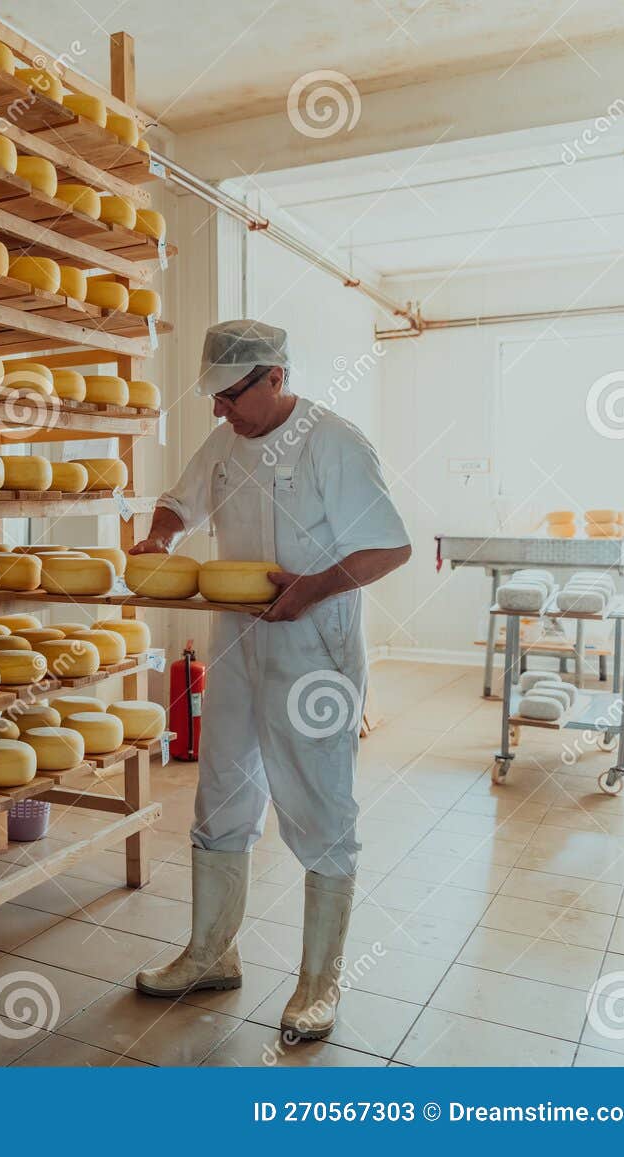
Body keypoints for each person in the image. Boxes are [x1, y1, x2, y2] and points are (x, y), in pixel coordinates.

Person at [129, 319, 410, 1041]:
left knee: (318, 805)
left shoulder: (333, 440)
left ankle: (319, 983)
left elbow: (389, 545)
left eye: (227, 395)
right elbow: (181, 500)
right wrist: (160, 535)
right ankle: (209, 952)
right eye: (213, 397)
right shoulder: (225, 441)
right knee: (221, 790)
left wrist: (312, 588)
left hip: (312, 646)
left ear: (275, 379)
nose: (217, 409)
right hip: (238, 640)